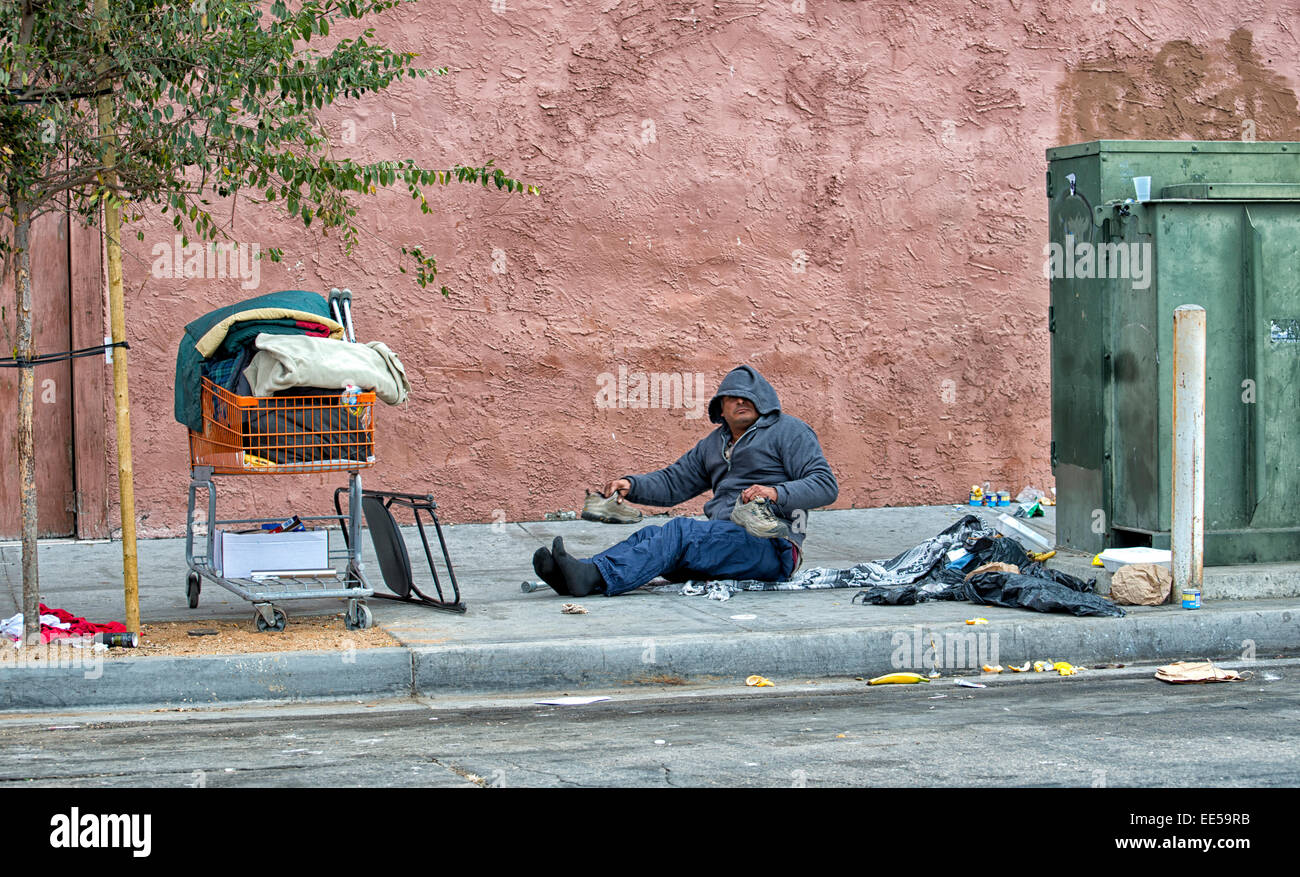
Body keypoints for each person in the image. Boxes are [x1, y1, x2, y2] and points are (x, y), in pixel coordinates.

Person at [533, 364, 838, 597]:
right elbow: (675, 482)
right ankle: (581, 573)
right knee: (651, 536)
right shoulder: (713, 444)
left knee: (680, 532)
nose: (741, 401)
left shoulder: (790, 431)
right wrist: (633, 485)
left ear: (765, 401)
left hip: (770, 547)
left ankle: (594, 576)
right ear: (720, 408)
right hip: (722, 541)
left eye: (749, 396)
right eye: (732, 397)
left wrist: (774, 493)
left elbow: (825, 485)